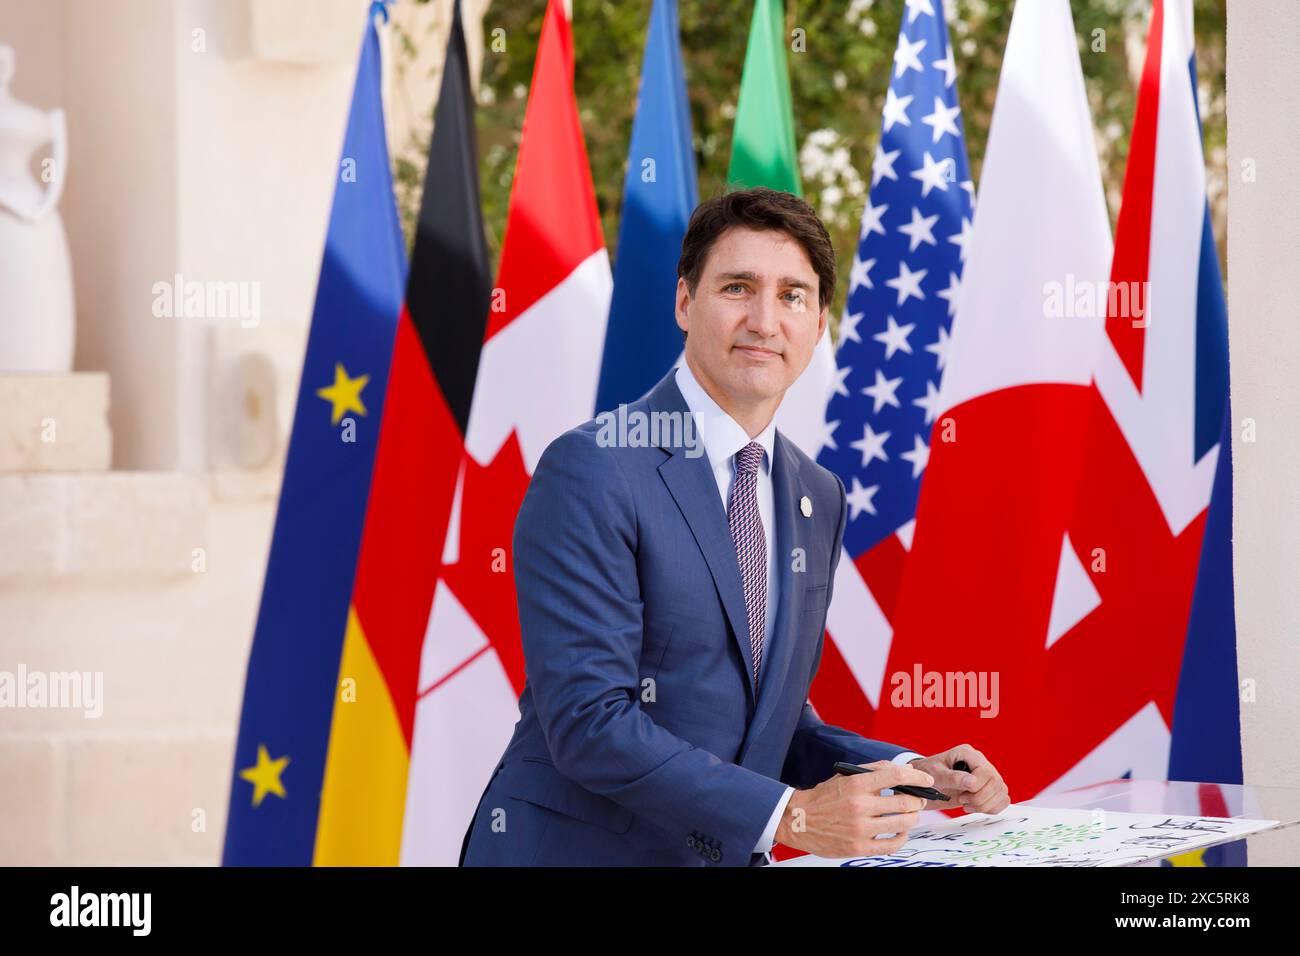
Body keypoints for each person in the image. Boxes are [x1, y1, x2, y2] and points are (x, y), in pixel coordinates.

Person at [460, 187, 1009, 866]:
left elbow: (770, 722)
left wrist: (910, 772)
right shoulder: (595, 467)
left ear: (817, 324)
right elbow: (589, 721)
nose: (764, 320)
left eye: (792, 296)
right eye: (738, 287)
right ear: (685, 304)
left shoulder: (817, 494)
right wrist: (793, 815)